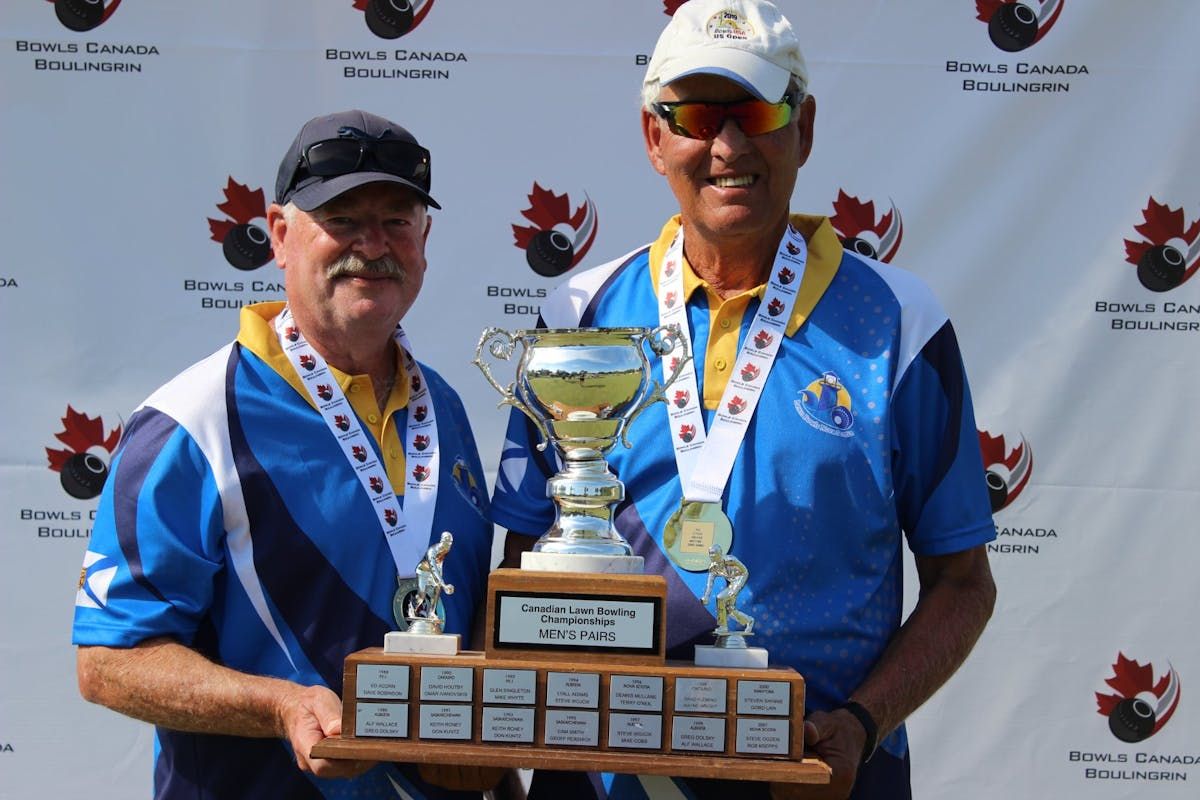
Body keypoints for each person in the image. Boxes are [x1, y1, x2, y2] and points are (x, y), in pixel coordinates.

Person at [490, 2, 997, 798]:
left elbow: (963, 583)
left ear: (804, 128)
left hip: (814, 777)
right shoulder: (579, 318)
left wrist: (863, 723)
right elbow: (524, 567)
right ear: (655, 138)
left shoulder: (900, 323)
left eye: (756, 113)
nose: (728, 146)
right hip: (608, 777)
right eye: (696, 117)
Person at [72, 110, 494, 799]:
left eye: (396, 220)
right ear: (278, 235)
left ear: (424, 239)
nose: (372, 245)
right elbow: (109, 661)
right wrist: (280, 706)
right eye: (342, 218)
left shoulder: (441, 407)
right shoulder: (191, 421)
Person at [701, 544, 752, 637]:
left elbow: (745, 572)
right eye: (710, 553)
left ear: (720, 553)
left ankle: (723, 626)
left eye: (713, 553)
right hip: (732, 583)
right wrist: (706, 597)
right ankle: (749, 620)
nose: (711, 555)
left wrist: (736, 588)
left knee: (720, 598)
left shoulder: (731, 560)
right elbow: (710, 583)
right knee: (729, 610)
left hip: (739, 580)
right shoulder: (713, 567)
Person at [407, 531, 456, 628]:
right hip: (423, 571)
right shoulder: (432, 551)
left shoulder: (446, 549)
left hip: (433, 572)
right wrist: (444, 584)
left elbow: (440, 565)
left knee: (437, 589)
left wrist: (441, 584)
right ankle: (411, 607)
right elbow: (433, 568)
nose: (449, 545)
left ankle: (432, 612)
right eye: (447, 542)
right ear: (442, 541)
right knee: (421, 595)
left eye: (450, 543)